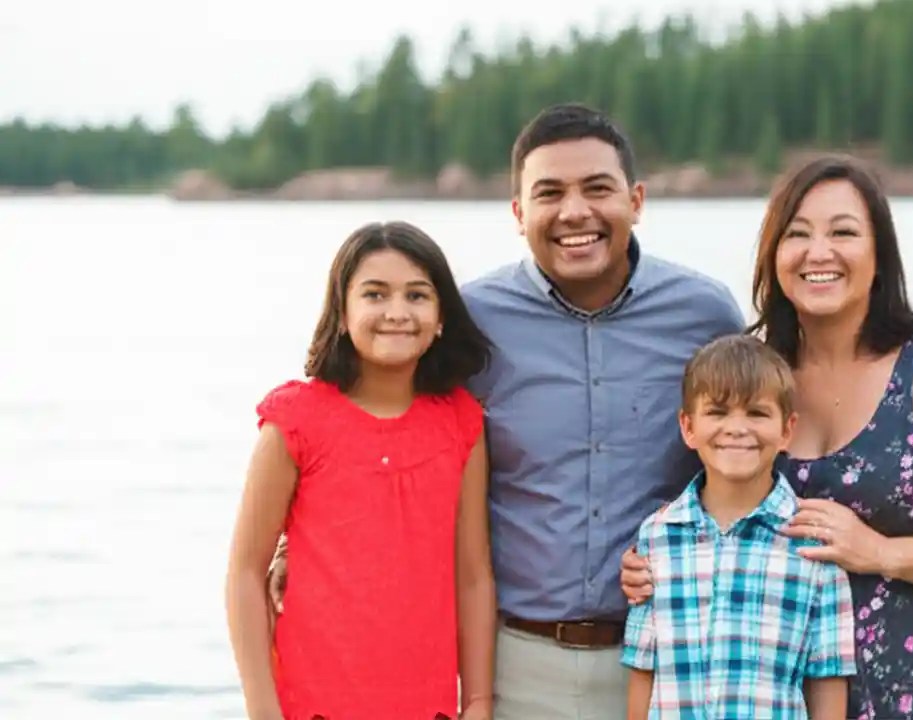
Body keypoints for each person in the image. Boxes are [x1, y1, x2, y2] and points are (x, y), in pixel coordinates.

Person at [267, 104, 745, 719]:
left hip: (672, 654)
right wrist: (292, 540)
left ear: (637, 200)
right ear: (518, 214)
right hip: (516, 662)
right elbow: (379, 424)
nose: (575, 212)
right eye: (549, 193)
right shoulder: (469, 320)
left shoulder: (705, 315)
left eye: (598, 188)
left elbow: (753, 441)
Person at [622, 155, 913, 719]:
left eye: (842, 232)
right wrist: (652, 563)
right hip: (776, 701)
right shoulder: (755, 382)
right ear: (774, 256)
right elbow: (703, 508)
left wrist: (881, 552)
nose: (818, 252)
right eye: (797, 234)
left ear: (879, 257)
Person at [225, 221, 497, 720]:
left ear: (440, 319)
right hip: (311, 706)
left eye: (417, 295)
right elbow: (245, 572)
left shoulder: (461, 422)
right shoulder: (295, 420)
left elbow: (473, 576)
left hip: (428, 706)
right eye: (375, 294)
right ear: (343, 314)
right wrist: (263, 710)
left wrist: (478, 702)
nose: (397, 312)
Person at [622, 335, 857, 720]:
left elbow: (828, 677)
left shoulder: (813, 541)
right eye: (717, 412)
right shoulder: (658, 536)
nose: (736, 428)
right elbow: (642, 665)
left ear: (787, 430)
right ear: (688, 427)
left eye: (757, 413)